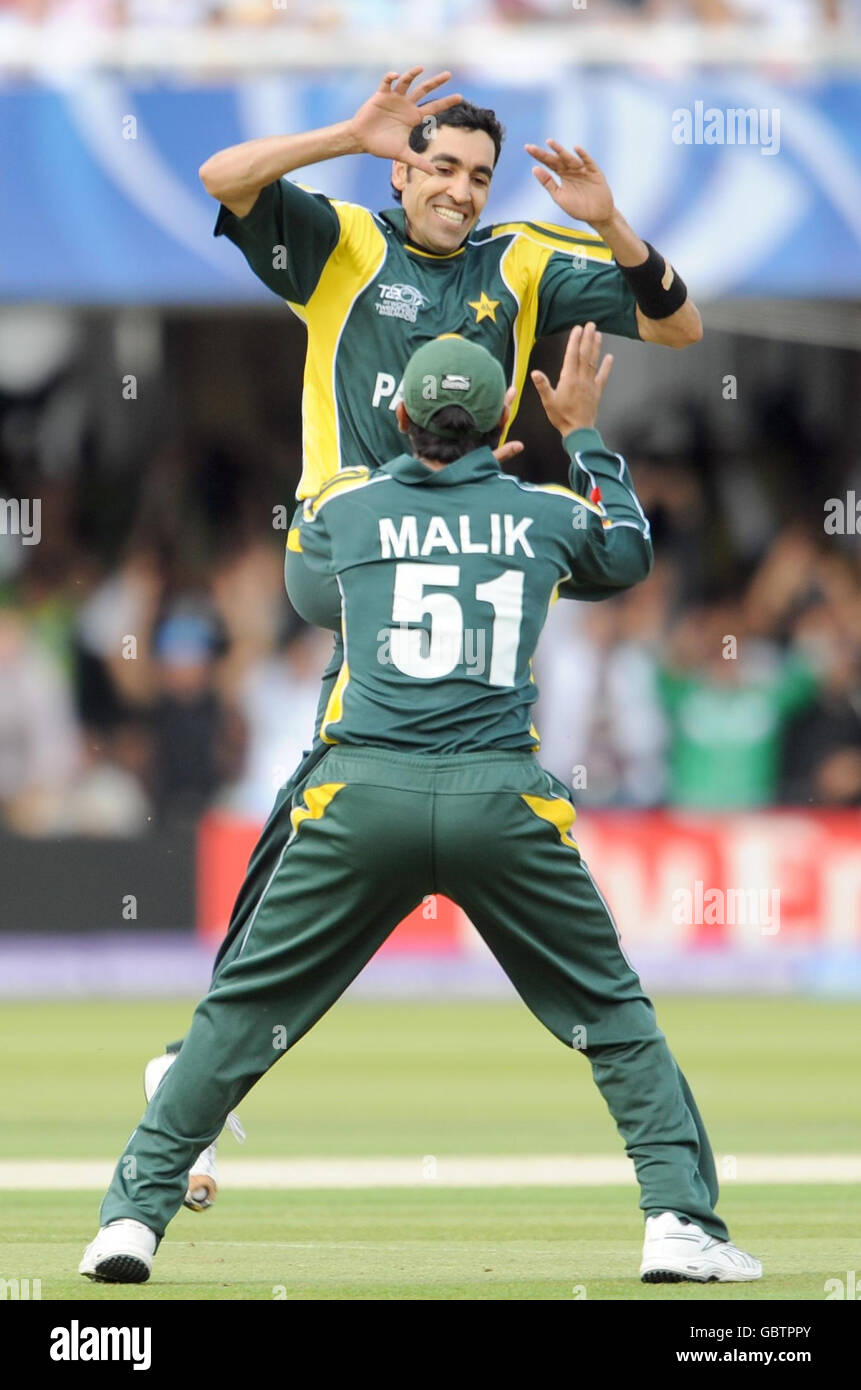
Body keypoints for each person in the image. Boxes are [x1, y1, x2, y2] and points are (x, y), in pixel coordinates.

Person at [80, 326, 761, 1286]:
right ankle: (678, 1224)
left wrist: (415, 493)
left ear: (400, 419)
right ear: (499, 428)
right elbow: (628, 556)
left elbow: (315, 595)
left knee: (239, 1014)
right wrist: (584, 438)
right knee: (610, 1013)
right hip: (499, 802)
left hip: (364, 796)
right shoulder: (541, 511)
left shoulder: (350, 507)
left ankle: (129, 1221)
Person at [149, 64, 704, 1209]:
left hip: (466, 546)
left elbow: (681, 324)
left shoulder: (527, 261)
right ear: (405, 168)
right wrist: (344, 135)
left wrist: (608, 222)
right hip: (342, 547)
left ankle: (199, 1062)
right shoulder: (344, 240)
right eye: (439, 166)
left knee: (342, 777)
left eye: (476, 176)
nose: (457, 189)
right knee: (371, 769)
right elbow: (218, 176)